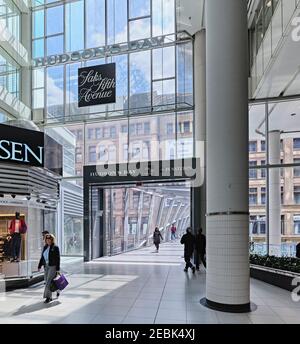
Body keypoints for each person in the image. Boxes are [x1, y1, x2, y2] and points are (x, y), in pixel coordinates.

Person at [38, 234, 61, 304]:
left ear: (52, 240)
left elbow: (58, 259)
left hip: (52, 266)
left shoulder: (55, 247)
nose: (48, 241)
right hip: (46, 266)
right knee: (47, 280)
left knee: (48, 281)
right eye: (47, 240)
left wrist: (57, 269)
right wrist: (39, 265)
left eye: (49, 239)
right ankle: (58, 290)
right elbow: (42, 257)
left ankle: (48, 297)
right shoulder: (45, 247)